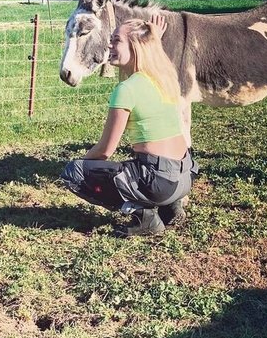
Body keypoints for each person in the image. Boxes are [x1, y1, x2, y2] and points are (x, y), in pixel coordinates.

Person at [60, 14, 198, 238]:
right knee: (142, 162)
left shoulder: (127, 89)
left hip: (161, 182)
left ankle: (146, 217)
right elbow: (155, 57)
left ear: (135, 46)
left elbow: (105, 150)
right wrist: (154, 39)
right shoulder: (165, 77)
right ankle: (171, 208)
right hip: (184, 176)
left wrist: (82, 163)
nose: (109, 44)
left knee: (73, 173)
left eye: (116, 40)